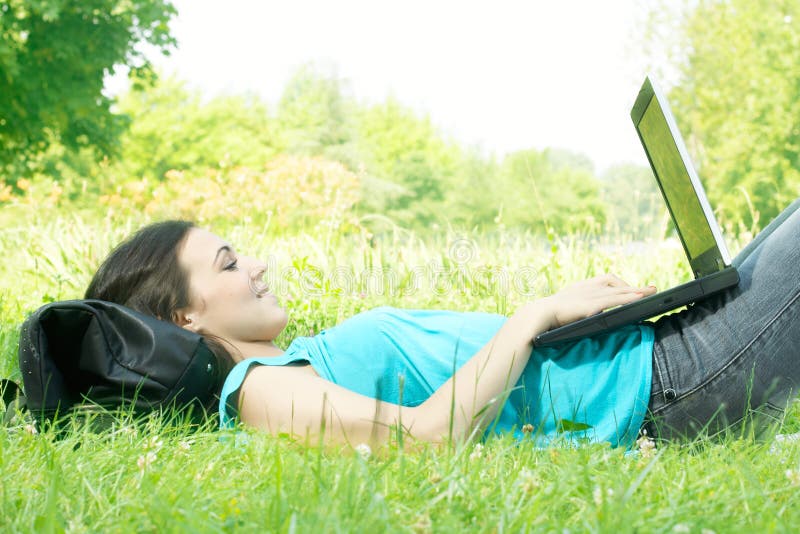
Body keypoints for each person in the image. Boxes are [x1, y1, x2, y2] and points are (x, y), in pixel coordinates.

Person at [84, 198, 800, 448]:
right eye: (230, 263)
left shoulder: (292, 361)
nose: (257, 267)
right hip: (667, 390)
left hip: (656, 362)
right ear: (184, 313)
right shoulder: (256, 390)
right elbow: (426, 441)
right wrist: (535, 315)